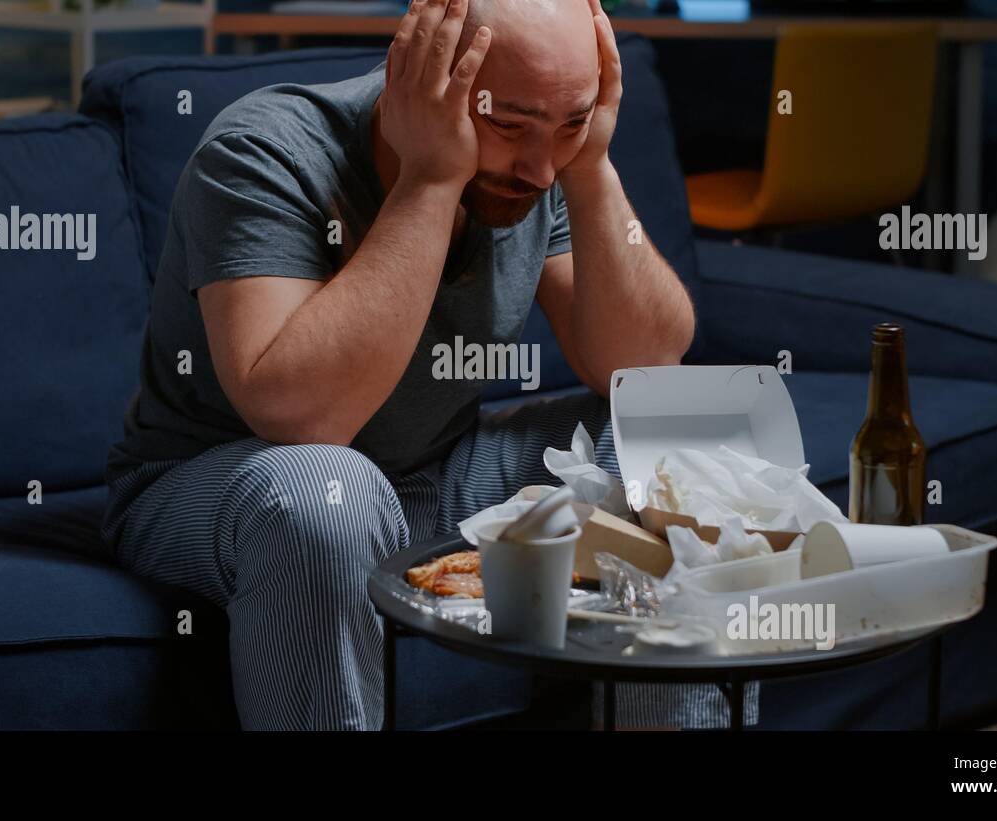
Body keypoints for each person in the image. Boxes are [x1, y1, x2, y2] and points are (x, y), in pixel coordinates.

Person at [100, 0, 731, 730]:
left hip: (437, 471)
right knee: (327, 492)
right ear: (421, 73)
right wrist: (430, 180)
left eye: (568, 123)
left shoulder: (542, 161)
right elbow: (303, 417)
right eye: (509, 125)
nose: (537, 166)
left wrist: (589, 167)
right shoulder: (263, 151)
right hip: (223, 482)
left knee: (678, 428)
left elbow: (645, 362)